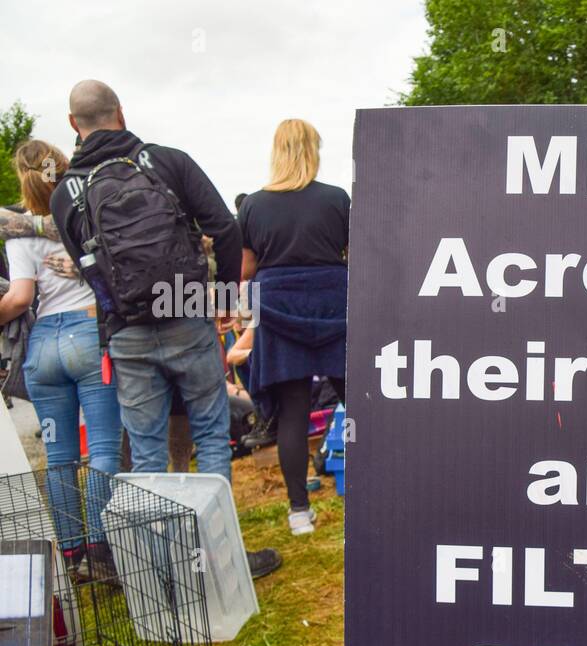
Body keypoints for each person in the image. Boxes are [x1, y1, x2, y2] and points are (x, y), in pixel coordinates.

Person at [48, 79, 280, 578]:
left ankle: (165, 571)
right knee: (212, 438)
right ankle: (220, 563)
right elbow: (226, 227)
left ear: (74, 126)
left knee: (147, 454)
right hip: (188, 319)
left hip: (126, 334)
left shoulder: (66, 192)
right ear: (122, 114)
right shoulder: (168, 161)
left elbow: (85, 265)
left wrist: (118, 310)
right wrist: (217, 299)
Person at [0, 140, 122, 579]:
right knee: (105, 447)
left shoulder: (19, 234)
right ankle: (100, 548)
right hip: (88, 336)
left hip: (44, 348)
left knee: (59, 457)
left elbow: (19, 298)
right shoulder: (81, 213)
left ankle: (71, 556)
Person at [237, 119, 348, 535]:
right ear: (312, 150)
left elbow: (245, 268)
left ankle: (299, 512)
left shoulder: (252, 205)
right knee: (360, 404)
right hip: (334, 304)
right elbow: (355, 255)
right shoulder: (337, 199)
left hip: (279, 307)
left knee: (293, 414)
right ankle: (377, 487)